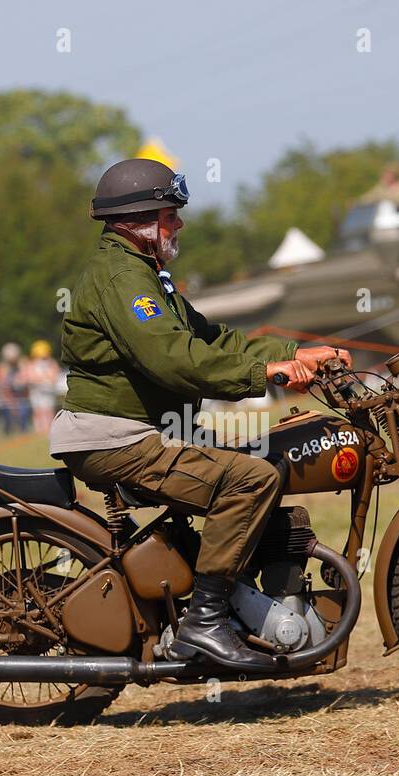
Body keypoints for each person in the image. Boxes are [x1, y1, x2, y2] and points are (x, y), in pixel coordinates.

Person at [50, 158, 350, 669]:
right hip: (117, 438)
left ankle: (247, 601)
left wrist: (295, 354)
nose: (179, 224)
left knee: (269, 455)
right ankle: (205, 623)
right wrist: (264, 376)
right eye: (171, 214)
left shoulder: (146, 275)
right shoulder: (122, 279)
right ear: (140, 220)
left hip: (148, 429)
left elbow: (214, 340)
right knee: (249, 481)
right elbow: (173, 359)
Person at [0, 342, 31, 434]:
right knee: (9, 422)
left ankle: (23, 434)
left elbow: (27, 380)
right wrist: (11, 403)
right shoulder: (2, 367)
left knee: (23, 419)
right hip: (8, 399)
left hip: (22, 398)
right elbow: (2, 387)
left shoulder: (23, 363)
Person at [25, 339, 61, 435]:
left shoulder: (52, 363)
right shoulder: (31, 364)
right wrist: (42, 379)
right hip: (36, 392)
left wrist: (44, 379)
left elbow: (54, 376)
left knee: (48, 411)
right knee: (38, 411)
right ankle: (39, 431)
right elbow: (29, 377)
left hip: (48, 391)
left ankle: (49, 430)